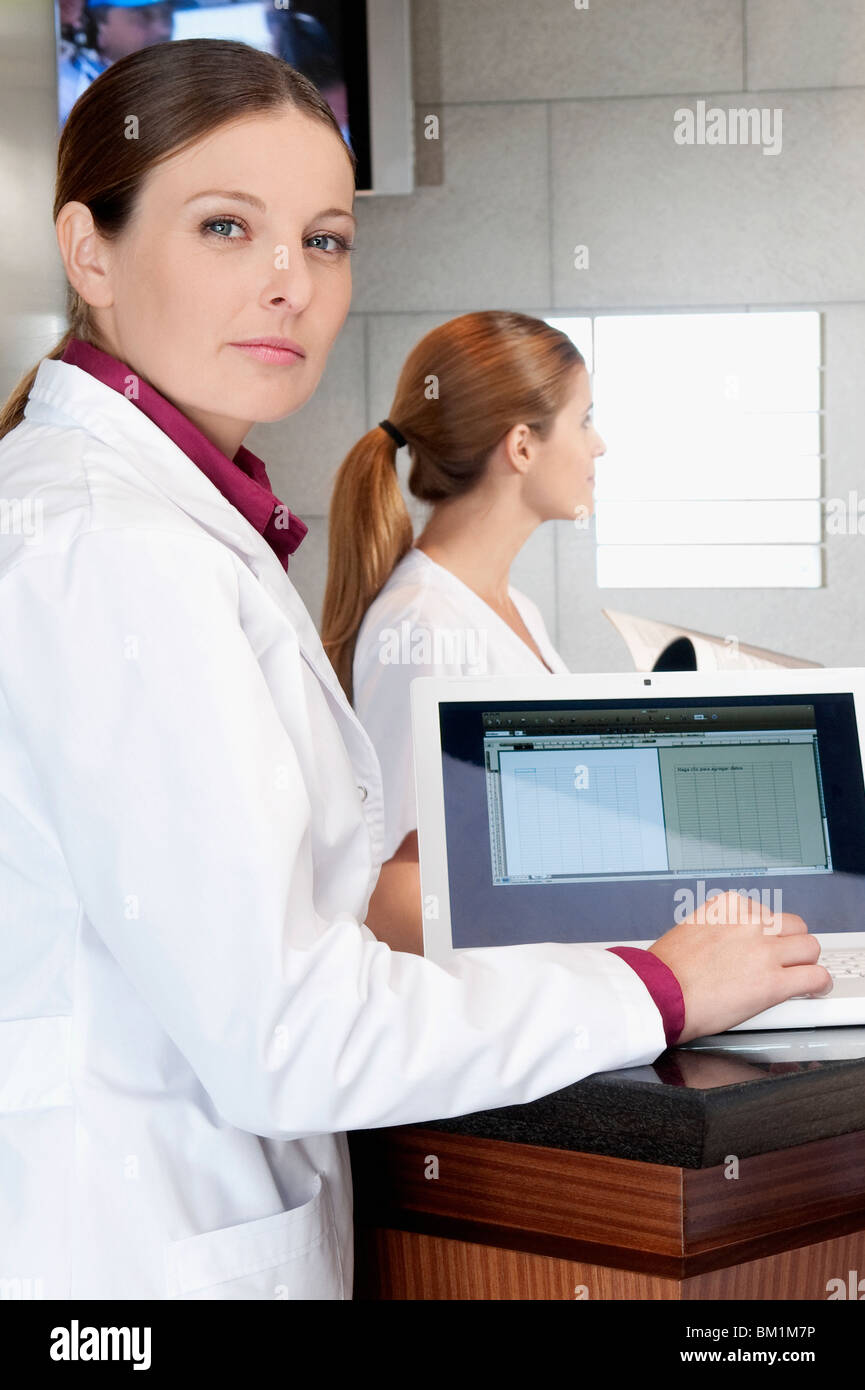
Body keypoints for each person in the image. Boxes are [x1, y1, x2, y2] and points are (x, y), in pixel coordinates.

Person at [0, 38, 831, 1301]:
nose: (288, 282)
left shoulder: (148, 527)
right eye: (227, 226)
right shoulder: (112, 551)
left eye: (324, 239)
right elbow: (289, 1025)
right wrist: (653, 987)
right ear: (89, 249)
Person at [322, 311, 597, 950]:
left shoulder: (513, 607)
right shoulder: (424, 623)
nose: (599, 444)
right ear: (522, 445)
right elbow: (392, 892)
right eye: (583, 420)